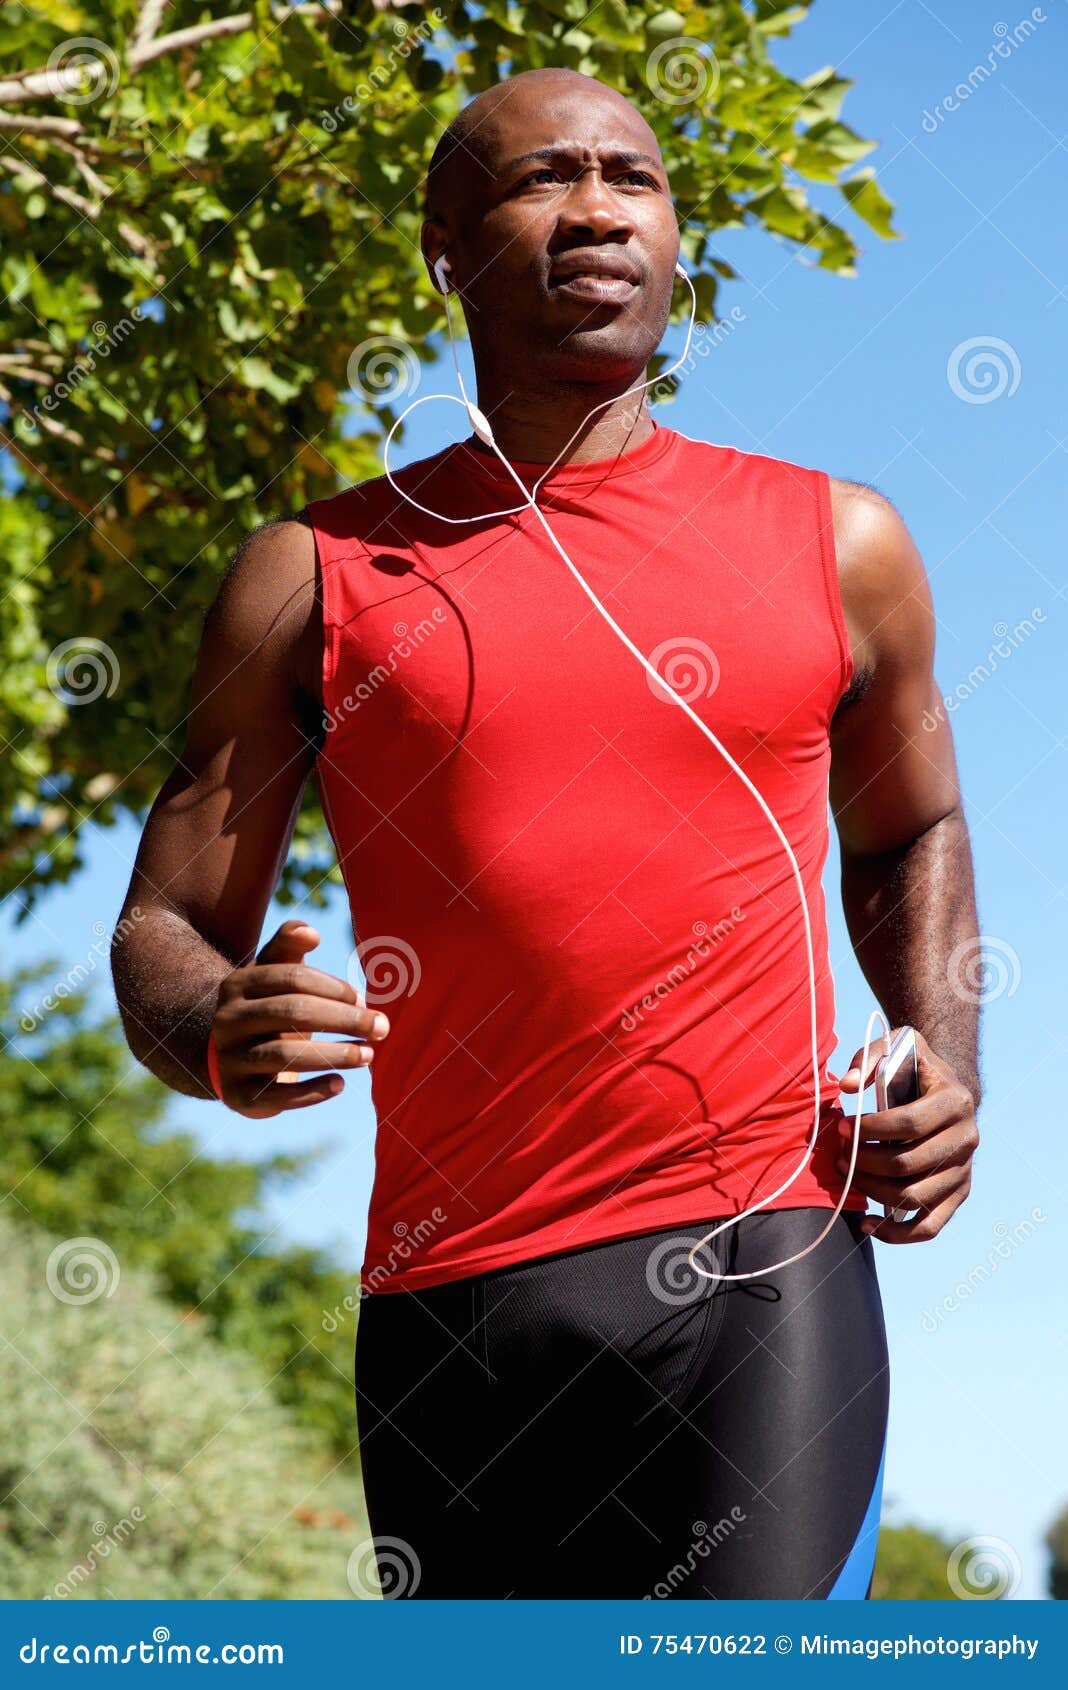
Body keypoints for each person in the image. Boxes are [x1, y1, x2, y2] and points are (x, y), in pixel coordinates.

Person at [112, 68, 981, 1599]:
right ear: (444, 243)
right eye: (545, 178)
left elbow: (910, 831)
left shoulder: (837, 542)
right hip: (450, 1306)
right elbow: (164, 924)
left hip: (760, 1266)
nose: (598, 209)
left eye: (632, 179)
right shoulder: (313, 575)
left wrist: (941, 1057)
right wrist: (213, 1023)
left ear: (675, 237)